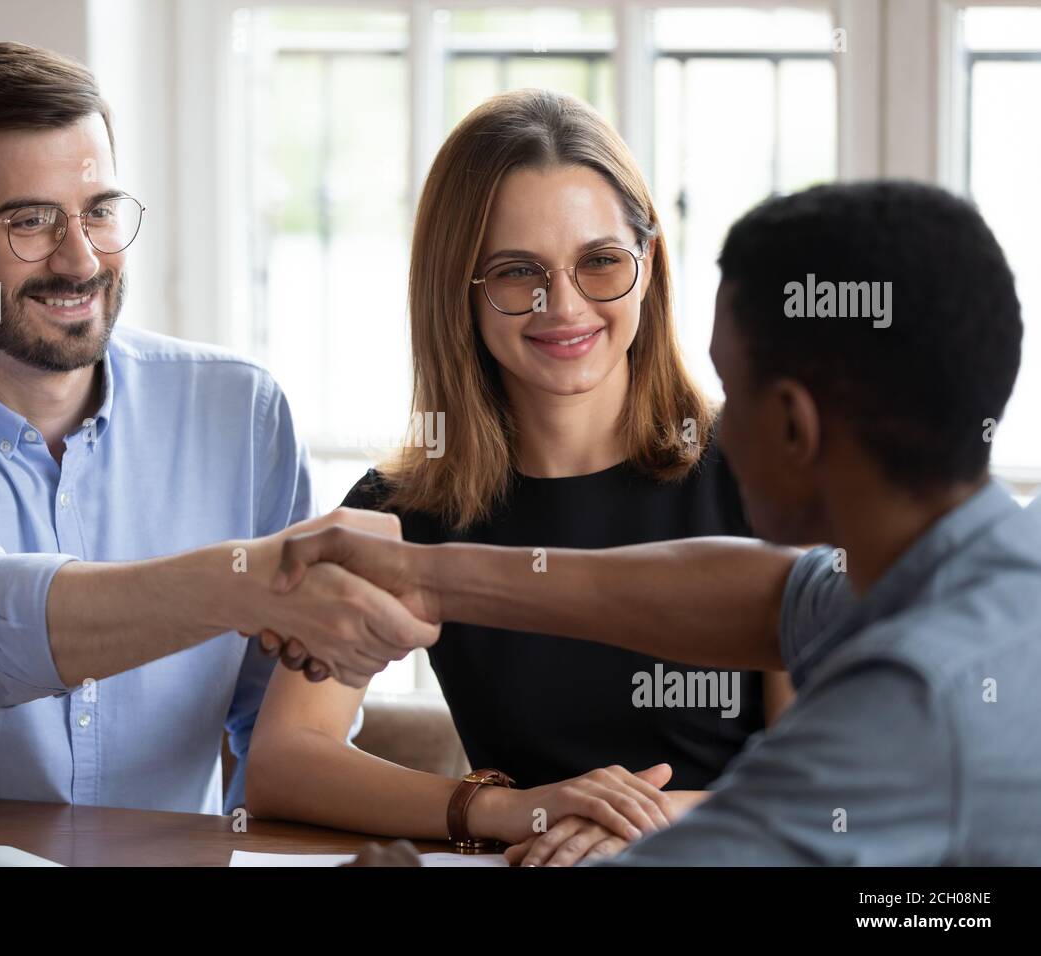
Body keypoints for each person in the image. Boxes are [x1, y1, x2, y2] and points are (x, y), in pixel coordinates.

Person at [271, 180, 1041, 865]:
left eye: (733, 392)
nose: (717, 425)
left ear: (794, 427)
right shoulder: (989, 571)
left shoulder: (909, 702)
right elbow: (765, 594)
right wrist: (430, 578)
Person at [0, 42, 433, 815]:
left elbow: (275, 737)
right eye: (31, 221)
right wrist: (244, 581)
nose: (81, 259)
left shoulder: (240, 413)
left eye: (100, 212)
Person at [244, 90, 792, 858]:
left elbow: (838, 784)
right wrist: (508, 810)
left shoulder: (768, 468)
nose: (563, 306)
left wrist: (633, 826)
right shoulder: (403, 507)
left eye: (600, 261)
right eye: (515, 272)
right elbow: (281, 763)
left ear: (649, 264)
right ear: (456, 289)